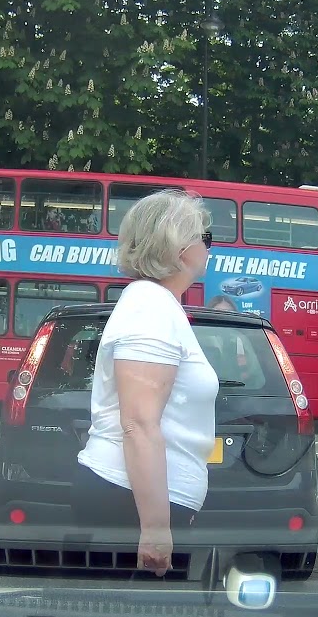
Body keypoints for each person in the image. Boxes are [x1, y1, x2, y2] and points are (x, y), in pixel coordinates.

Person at [73, 190, 218, 577]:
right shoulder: (150, 307)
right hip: (127, 506)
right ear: (179, 246)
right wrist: (154, 530)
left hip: (129, 501)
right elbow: (138, 422)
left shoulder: (155, 305)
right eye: (206, 238)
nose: (209, 248)